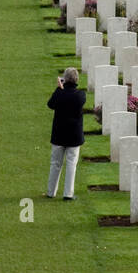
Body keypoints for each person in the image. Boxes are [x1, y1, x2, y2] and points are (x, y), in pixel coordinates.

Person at [45, 67, 86, 200]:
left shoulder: (60, 94)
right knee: (71, 164)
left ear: (65, 80)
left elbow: (50, 104)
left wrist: (58, 88)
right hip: (74, 135)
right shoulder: (80, 95)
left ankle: (51, 192)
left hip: (59, 133)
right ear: (76, 80)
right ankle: (68, 193)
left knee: (55, 163)